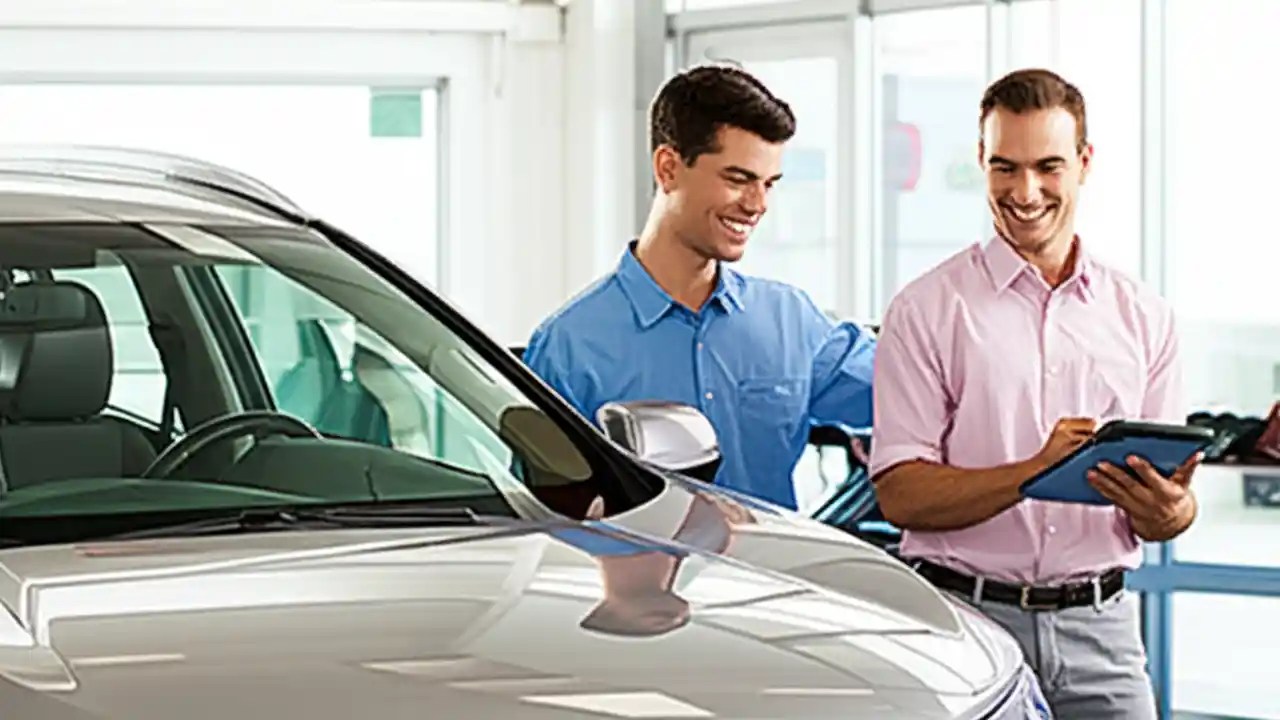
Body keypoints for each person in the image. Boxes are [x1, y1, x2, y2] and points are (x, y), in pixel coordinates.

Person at [868, 68, 1198, 719]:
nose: (1025, 192)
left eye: (1048, 166)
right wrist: (1034, 471)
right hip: (964, 626)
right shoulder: (926, 310)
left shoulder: (1144, 317)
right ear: (981, 163)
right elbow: (901, 493)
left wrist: (1168, 511)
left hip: (1103, 634)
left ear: (1084, 163)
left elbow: (1174, 513)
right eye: (1004, 167)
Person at [523, 64, 875, 511]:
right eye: (738, 179)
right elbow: (546, 518)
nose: (758, 205)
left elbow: (917, 390)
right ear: (668, 168)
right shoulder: (570, 348)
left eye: (768, 184)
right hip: (638, 579)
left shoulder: (790, 320)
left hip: (774, 578)